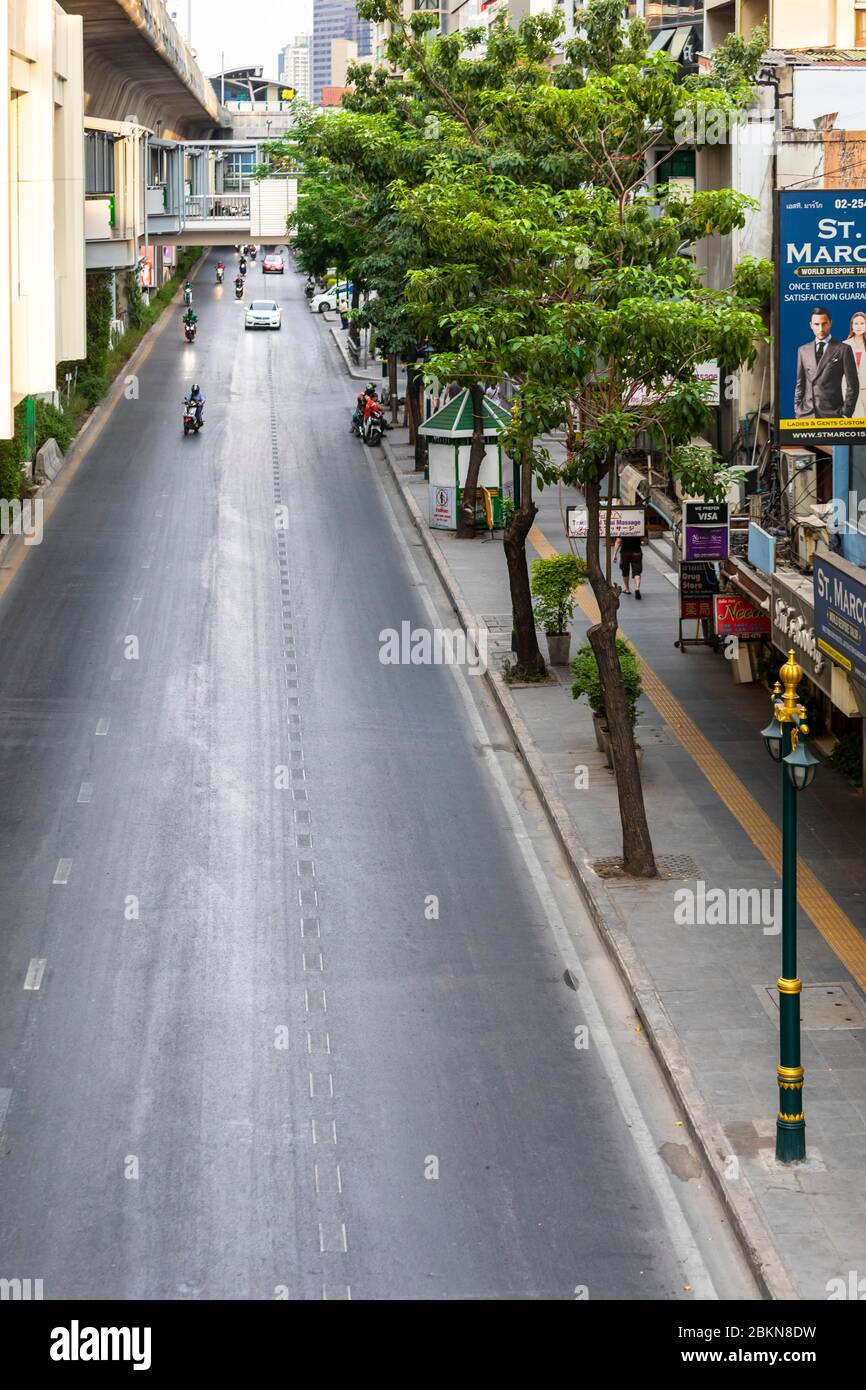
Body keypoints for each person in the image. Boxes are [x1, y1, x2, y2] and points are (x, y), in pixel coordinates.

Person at [794, 305, 859, 419]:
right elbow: (800, 384)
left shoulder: (843, 349)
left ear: (830, 323)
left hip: (832, 414)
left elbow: (853, 385)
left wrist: (846, 413)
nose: (821, 329)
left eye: (824, 324)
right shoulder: (802, 350)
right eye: (816, 324)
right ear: (811, 325)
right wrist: (798, 410)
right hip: (806, 414)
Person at [844, 309, 866, 419]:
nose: (859, 326)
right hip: (850, 394)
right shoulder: (844, 345)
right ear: (852, 326)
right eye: (856, 323)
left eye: (862, 323)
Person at [614, 532, 644, 599]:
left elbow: (618, 541)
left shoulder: (624, 527)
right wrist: (641, 542)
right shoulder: (638, 527)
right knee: (637, 572)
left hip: (625, 552)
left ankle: (627, 589)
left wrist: (615, 554)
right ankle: (637, 588)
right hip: (637, 552)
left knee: (625, 571)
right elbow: (643, 540)